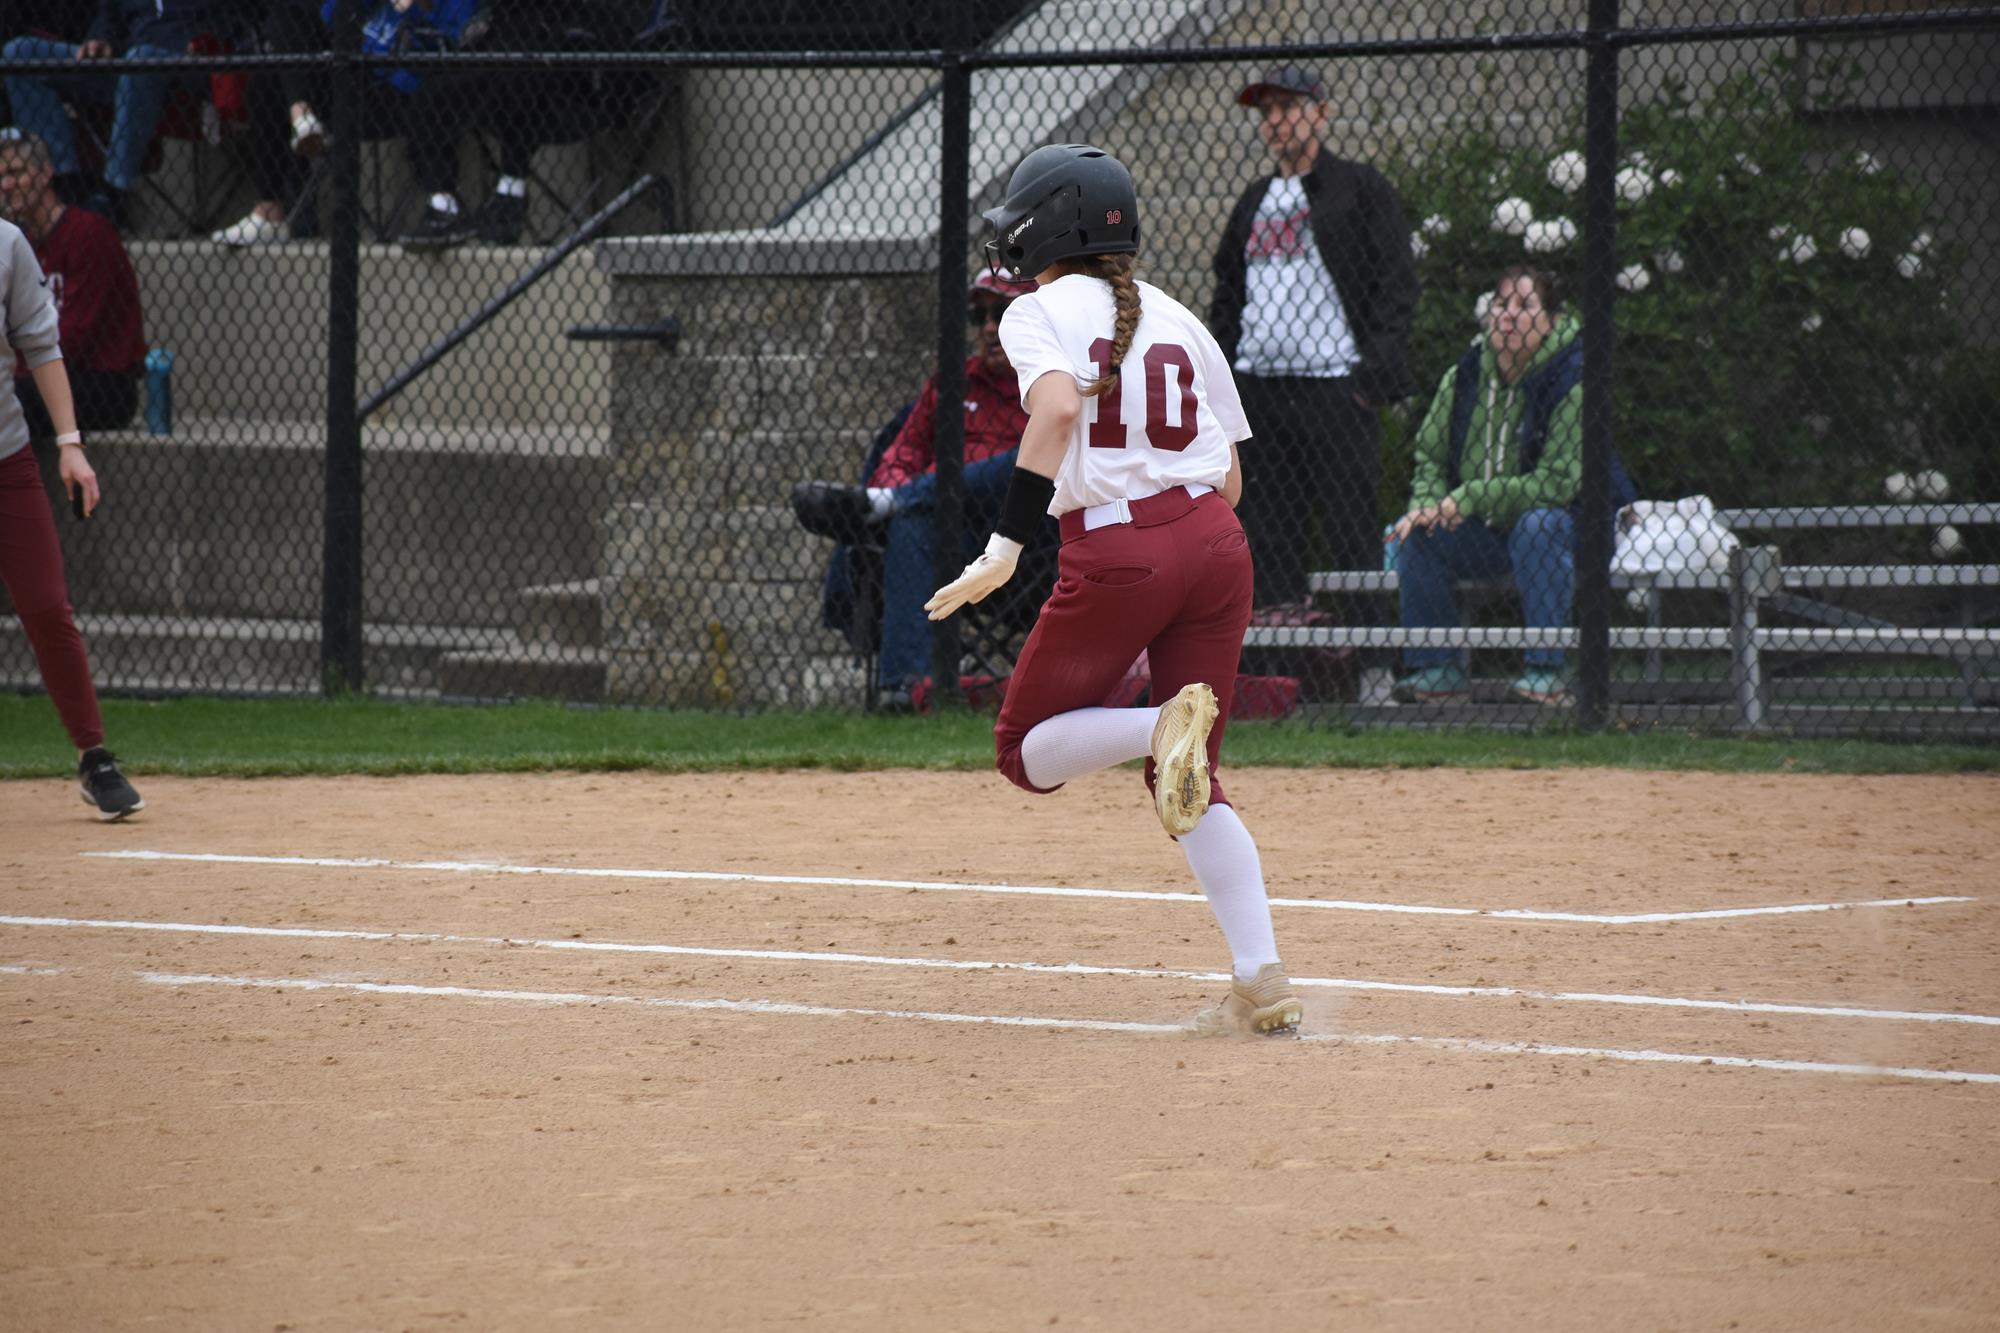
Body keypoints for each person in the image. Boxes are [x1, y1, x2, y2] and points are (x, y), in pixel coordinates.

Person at [925, 143, 1302, 1037]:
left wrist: (1005, 543)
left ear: (1048, 225)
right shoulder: (1179, 317)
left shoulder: (1035, 311)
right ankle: (1263, 977)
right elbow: (1231, 482)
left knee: (1024, 749)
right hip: (1217, 544)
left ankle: (1156, 723)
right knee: (1194, 775)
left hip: (1119, 549)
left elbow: (1056, 411)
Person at [1208, 63, 1419, 636]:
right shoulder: (1254, 200)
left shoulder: (1359, 188)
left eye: (1288, 107)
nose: (1275, 121)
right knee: (1271, 528)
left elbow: (1396, 283)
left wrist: (1370, 376)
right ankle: (1285, 667)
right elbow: (1228, 292)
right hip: (1261, 389)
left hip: (1335, 387)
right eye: (1267, 112)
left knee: (1352, 525)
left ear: (1321, 113)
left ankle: (1370, 660)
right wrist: (1225, 379)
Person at [1387, 266, 1634, 706]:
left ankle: (1546, 671)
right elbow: (1429, 454)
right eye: (1502, 305)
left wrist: (1467, 498)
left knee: (1539, 525)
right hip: (1487, 531)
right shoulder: (1463, 376)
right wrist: (1426, 505)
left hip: (1571, 529)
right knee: (1418, 536)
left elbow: (1558, 484)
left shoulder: (1573, 380)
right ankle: (1437, 669)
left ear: (1553, 320)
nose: (1509, 317)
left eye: (1525, 306)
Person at [791, 269, 1035, 710]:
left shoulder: (1047, 386)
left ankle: (881, 508)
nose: (989, 327)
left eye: (1003, 312)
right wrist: (896, 485)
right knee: (913, 526)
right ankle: (903, 690)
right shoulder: (954, 381)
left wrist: (897, 496)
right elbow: (903, 450)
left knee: (1012, 466)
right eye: (979, 315)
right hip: (947, 532)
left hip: (1018, 538)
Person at [0, 213, 145, 819]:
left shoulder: (7, 243)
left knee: (46, 605)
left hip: (5, 456)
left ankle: (95, 758)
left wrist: (69, 443)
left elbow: (41, 345)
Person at [209, 0, 482, 248]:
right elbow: (329, 18)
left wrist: (415, 11)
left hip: (399, 94)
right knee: (269, 72)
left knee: (287, 74)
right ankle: (270, 209)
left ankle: (302, 115)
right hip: (349, 77)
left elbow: (452, 51)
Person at [2, 0, 235, 228]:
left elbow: (242, 17)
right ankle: (63, 188)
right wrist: (100, 38)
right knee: (20, 52)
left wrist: (205, 42)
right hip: (127, 64)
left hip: (188, 69)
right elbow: (109, 15)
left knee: (143, 58)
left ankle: (113, 194)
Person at [0, 130, 145, 434]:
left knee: (14, 396)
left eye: (16, 172)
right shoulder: (18, 244)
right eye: (1, 177)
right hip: (31, 372)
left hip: (100, 381)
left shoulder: (89, 233)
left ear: (44, 174)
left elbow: (75, 337)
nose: (6, 185)